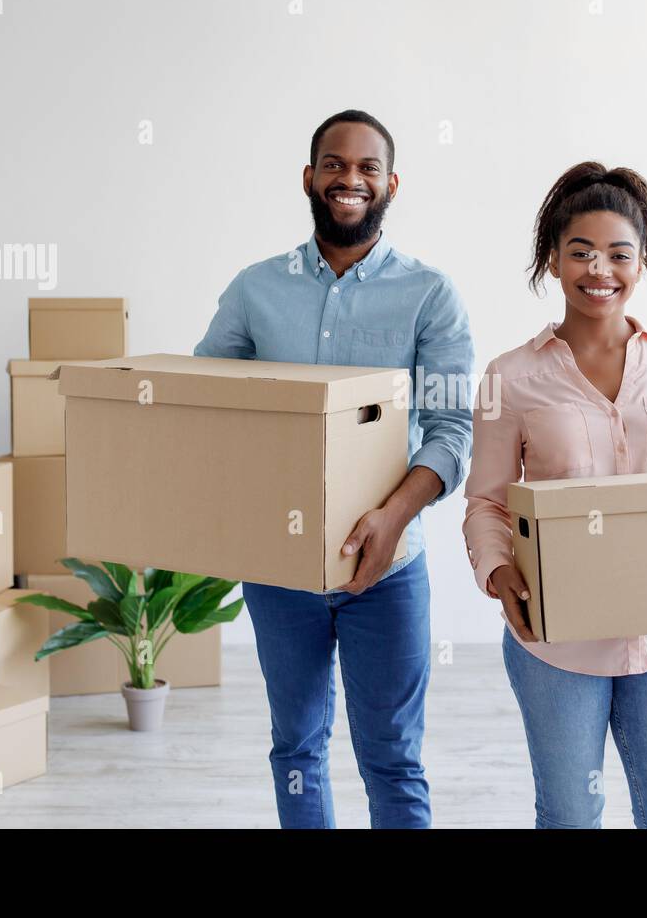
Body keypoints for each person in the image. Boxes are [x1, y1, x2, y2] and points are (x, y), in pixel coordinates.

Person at [195, 109, 474, 829]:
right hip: (280, 567)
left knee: (391, 757)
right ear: (310, 177)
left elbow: (450, 431)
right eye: (335, 165)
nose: (350, 179)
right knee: (296, 747)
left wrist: (392, 518)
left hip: (389, 567)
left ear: (391, 184)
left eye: (366, 168)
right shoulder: (256, 289)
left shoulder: (430, 295)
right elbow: (201, 406)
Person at [462, 161, 647, 828]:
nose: (599, 270)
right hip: (557, 642)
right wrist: (497, 570)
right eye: (581, 252)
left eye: (618, 254)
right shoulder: (510, 376)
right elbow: (486, 500)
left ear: (644, 261)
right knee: (570, 815)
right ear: (553, 260)